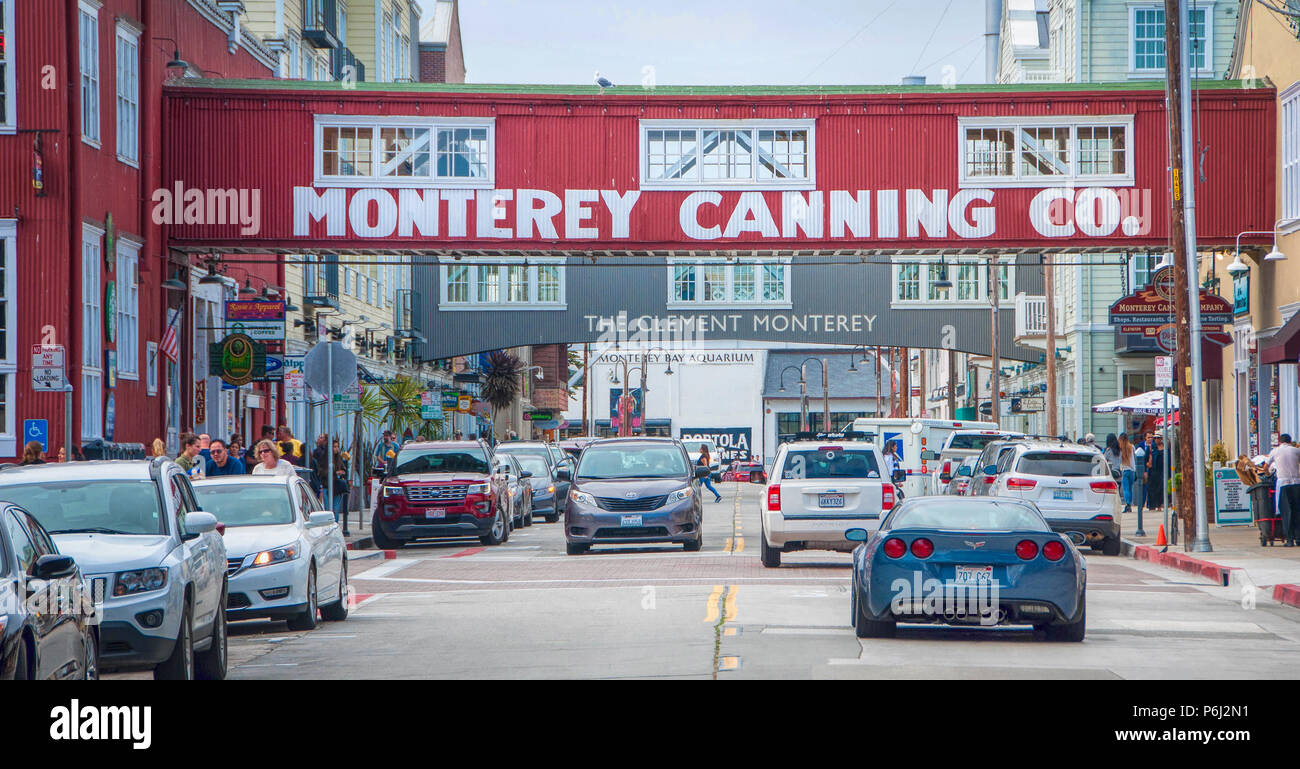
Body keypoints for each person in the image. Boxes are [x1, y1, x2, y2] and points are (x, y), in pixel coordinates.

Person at [1267, 435, 1300, 546]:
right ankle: (1298, 538)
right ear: (1290, 441)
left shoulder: (1275, 451)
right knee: (1297, 511)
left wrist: (1267, 474)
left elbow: (1265, 467)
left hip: (1283, 483)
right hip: (1296, 482)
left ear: (1280, 442)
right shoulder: (1296, 450)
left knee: (1286, 512)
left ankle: (1289, 540)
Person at [1147, 434, 1167, 512]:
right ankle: (1152, 506)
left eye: (1158, 438)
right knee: (1152, 488)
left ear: (1161, 438)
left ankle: (1159, 505)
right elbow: (1146, 459)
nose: (1156, 439)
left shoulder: (1165, 447)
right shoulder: (1151, 448)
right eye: (1155, 438)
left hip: (1161, 471)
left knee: (1160, 488)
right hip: (1152, 471)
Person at [1117, 433, 1136, 514]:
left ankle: (1127, 504)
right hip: (1132, 470)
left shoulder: (1120, 448)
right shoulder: (1132, 447)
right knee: (1130, 488)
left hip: (1124, 470)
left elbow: (1118, 461)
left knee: (1125, 489)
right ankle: (1130, 504)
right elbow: (1134, 457)